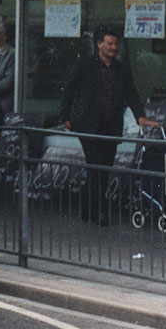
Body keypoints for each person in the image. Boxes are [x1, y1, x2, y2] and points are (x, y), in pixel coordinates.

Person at [60, 26, 159, 223]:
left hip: (110, 124)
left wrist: (140, 116)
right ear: (99, 44)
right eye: (110, 44)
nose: (114, 48)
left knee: (104, 168)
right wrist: (66, 117)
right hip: (88, 124)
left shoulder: (122, 69)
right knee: (95, 165)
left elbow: (131, 93)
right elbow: (69, 89)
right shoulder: (85, 65)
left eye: (116, 44)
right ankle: (96, 211)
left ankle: (92, 210)